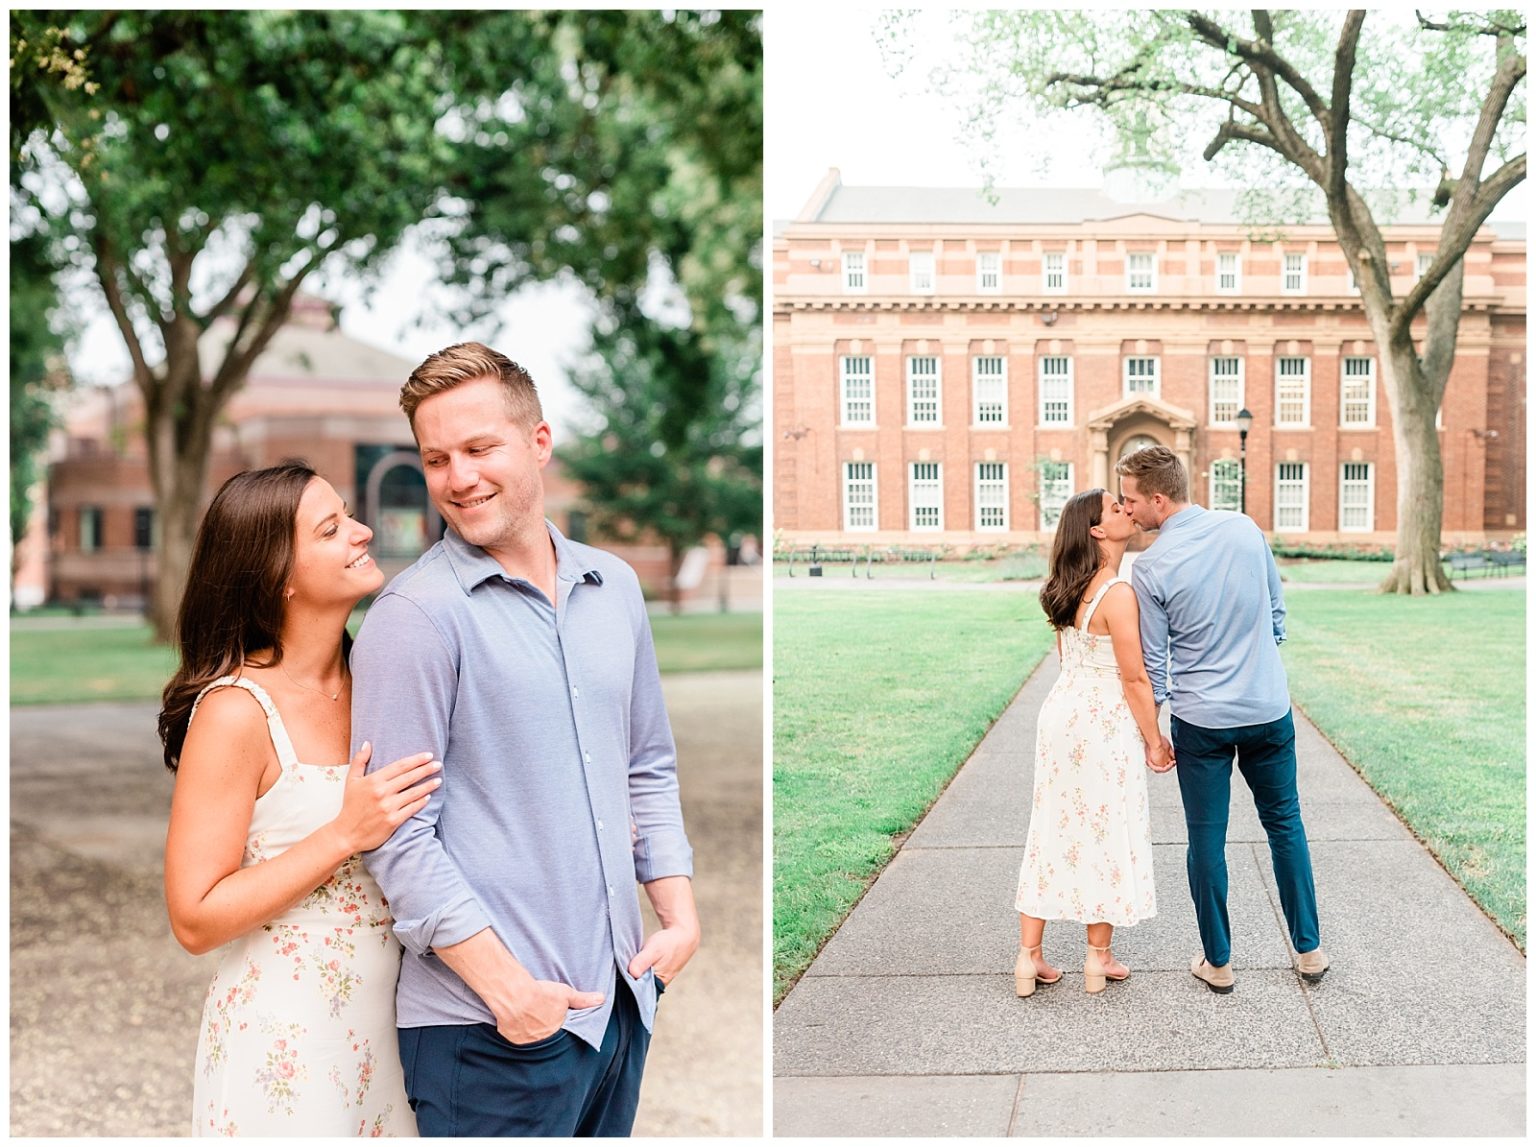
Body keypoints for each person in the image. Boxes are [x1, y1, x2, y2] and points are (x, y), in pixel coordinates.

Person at [351, 342, 700, 1137]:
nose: (459, 477)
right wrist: (508, 990)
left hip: (617, 1006)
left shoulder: (615, 585)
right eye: (437, 458)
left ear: (538, 442)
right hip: (486, 1029)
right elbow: (397, 834)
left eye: (480, 448)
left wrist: (676, 915)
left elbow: (645, 761)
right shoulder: (414, 618)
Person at [160, 461, 442, 1136]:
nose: (362, 530)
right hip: (285, 1043)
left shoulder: (382, 678)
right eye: (332, 527)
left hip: (399, 1032)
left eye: (348, 514)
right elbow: (194, 918)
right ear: (278, 573)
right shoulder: (235, 711)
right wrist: (343, 833)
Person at [1116, 445, 1328, 994]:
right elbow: (1277, 612)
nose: (1128, 511)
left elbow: (1156, 667)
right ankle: (1309, 950)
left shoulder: (1152, 567)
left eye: (1131, 500)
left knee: (1206, 838)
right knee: (1286, 824)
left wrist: (1153, 736)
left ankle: (1219, 962)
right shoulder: (1245, 529)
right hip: (1267, 709)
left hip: (1202, 721)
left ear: (1159, 499)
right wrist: (1255, 658)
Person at [1014, 488, 1171, 996]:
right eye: (1115, 507)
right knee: (1103, 829)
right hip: (1103, 722)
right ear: (1097, 530)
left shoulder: (1065, 588)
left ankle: (1028, 957)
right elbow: (1134, 680)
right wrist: (1153, 739)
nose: (1127, 508)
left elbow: (1069, 661)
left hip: (1061, 715)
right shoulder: (1116, 593)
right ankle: (1097, 960)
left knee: (1052, 828)